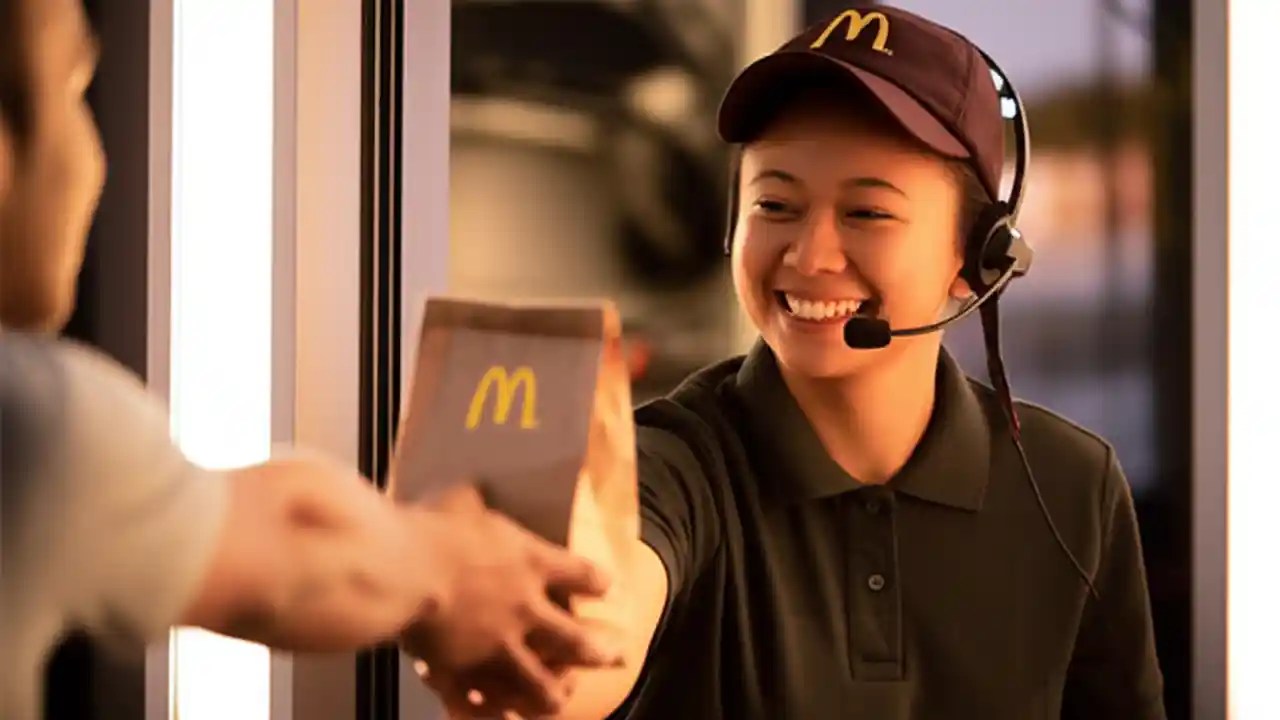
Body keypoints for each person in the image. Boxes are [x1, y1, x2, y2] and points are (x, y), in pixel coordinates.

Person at [418, 5, 1166, 719]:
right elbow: (601, 630)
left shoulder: (1075, 487)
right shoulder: (675, 463)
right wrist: (534, 625)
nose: (809, 256)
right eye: (775, 206)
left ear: (979, 257)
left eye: (867, 212)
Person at [0, 1, 622, 718]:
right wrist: (450, 562)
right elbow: (301, 548)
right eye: (73, 91)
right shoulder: (35, 432)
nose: (92, 156)